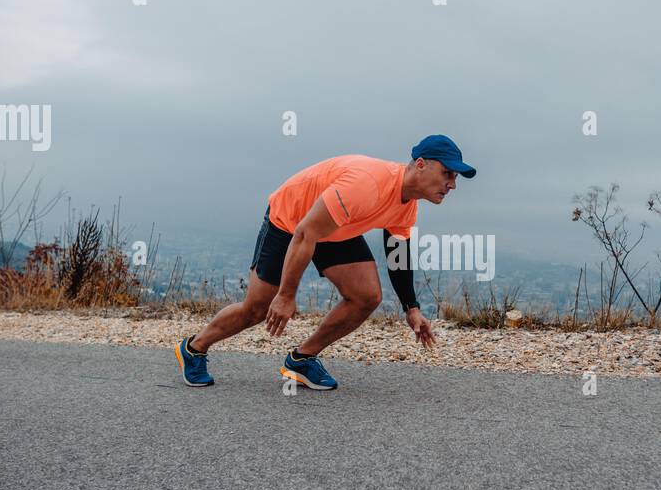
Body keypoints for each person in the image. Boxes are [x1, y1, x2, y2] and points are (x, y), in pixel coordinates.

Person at [175, 135, 476, 390]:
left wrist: (411, 309)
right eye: (447, 174)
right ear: (421, 165)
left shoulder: (407, 204)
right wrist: (286, 295)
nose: (452, 185)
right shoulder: (368, 184)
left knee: (366, 296)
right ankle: (194, 348)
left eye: (455, 178)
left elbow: (398, 256)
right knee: (257, 308)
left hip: (335, 227)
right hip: (291, 221)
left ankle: (302, 359)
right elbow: (305, 232)